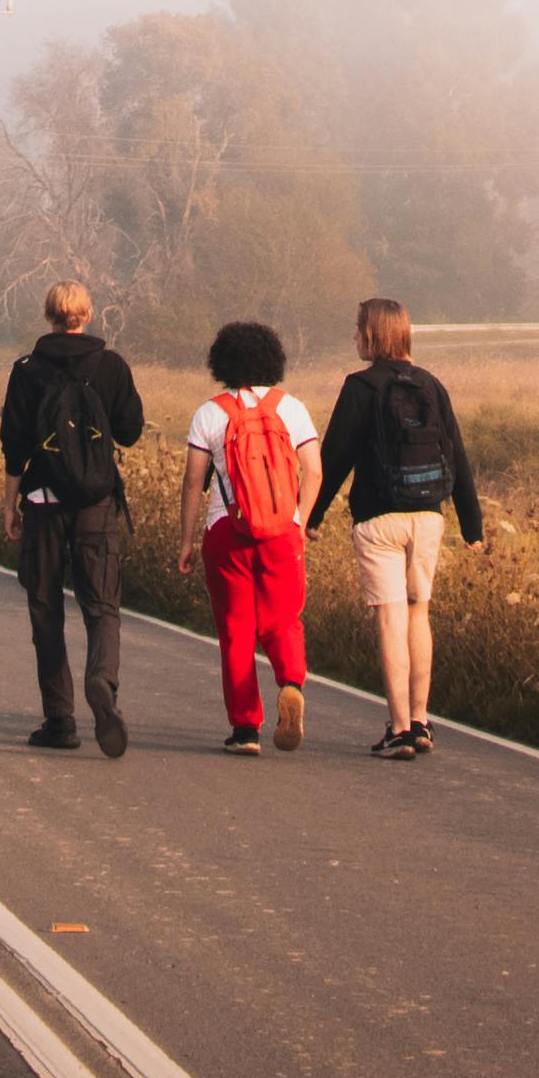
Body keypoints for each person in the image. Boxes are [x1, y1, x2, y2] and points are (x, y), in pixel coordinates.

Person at [312, 294, 485, 755]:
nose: (353, 337)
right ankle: (423, 721)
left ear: (373, 333)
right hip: (429, 516)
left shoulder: (360, 387)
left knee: (389, 618)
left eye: (357, 328)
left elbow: (334, 459)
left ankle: (399, 727)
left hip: (378, 518)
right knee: (418, 613)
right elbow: (458, 457)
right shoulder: (431, 385)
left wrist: (311, 516)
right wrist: (473, 527)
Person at [0, 275, 142, 755]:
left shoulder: (26, 368)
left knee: (46, 609)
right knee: (102, 607)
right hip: (96, 504)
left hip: (43, 503)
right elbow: (130, 431)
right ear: (88, 314)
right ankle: (102, 681)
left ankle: (60, 721)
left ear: (49, 315)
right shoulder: (111, 365)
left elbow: (14, 444)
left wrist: (9, 503)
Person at [177, 316, 317, 752]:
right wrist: (298, 519)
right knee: (283, 620)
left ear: (222, 362)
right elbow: (314, 470)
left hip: (227, 532)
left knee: (236, 630)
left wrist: (186, 540)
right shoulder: (290, 408)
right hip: (282, 533)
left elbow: (192, 481)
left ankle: (245, 730)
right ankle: (291, 682)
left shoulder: (210, 413)